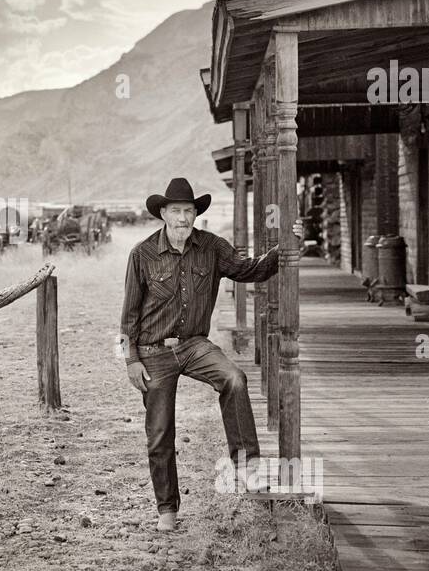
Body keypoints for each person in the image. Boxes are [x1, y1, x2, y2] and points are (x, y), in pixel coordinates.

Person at [119, 177, 303, 531]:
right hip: (153, 351)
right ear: (163, 214)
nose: (183, 218)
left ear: (195, 214)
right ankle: (167, 510)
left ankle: (247, 468)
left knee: (234, 378)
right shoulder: (141, 255)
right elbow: (127, 316)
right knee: (160, 433)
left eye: (189, 211)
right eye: (176, 211)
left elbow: (252, 269)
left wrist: (289, 243)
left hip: (194, 345)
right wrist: (130, 360)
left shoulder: (211, 248)